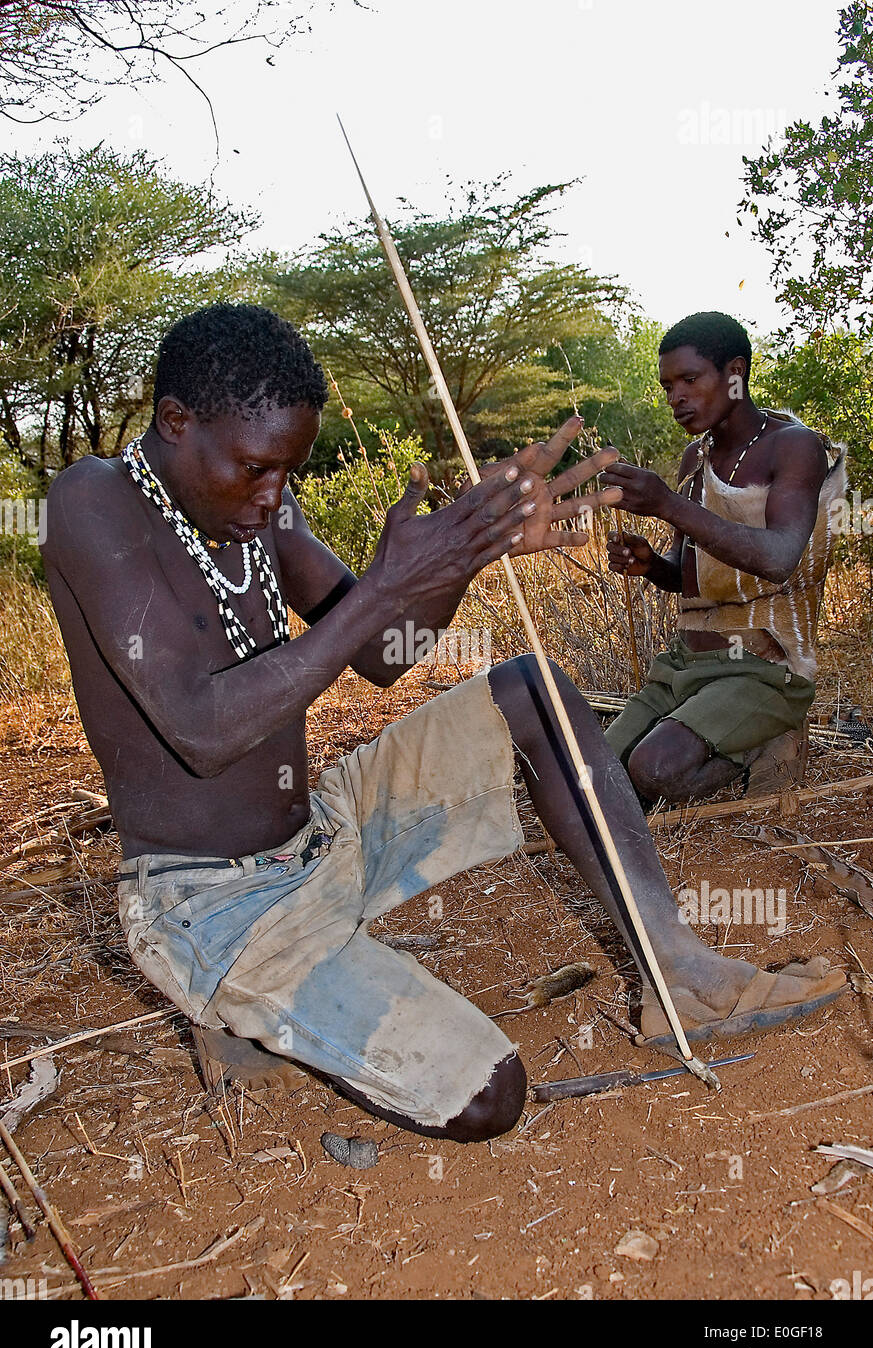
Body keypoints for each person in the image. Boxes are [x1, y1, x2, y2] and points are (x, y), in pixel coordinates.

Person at [41, 304, 845, 1143]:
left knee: (532, 691)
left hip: (324, 833)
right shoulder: (93, 502)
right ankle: (255, 1006)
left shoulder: (261, 511)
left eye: (288, 471)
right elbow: (201, 728)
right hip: (216, 906)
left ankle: (677, 969)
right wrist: (390, 583)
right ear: (175, 423)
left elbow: (385, 653)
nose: (273, 493)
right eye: (255, 468)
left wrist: (466, 548)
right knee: (489, 1097)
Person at [601, 311, 846, 806]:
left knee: (650, 771)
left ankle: (765, 750)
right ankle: (717, 737)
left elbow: (780, 558)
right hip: (685, 665)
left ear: (735, 374)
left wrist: (669, 503)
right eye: (668, 385)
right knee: (599, 774)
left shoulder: (794, 447)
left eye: (690, 379)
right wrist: (651, 564)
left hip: (764, 667)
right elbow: (684, 574)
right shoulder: (696, 459)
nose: (676, 398)